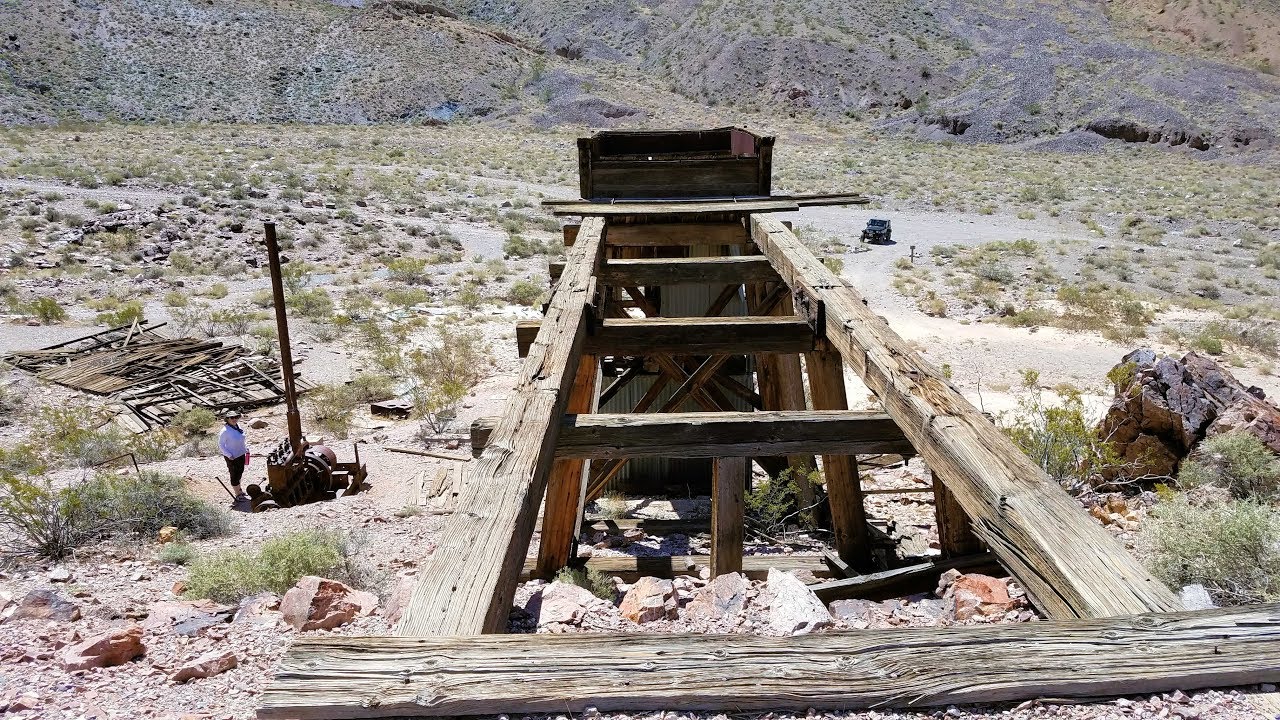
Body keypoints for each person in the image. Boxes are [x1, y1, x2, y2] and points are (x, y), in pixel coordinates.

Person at [218, 409, 249, 498]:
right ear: (227, 419)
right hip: (232, 456)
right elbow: (221, 444)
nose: (234, 419)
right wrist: (229, 455)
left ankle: (240, 491)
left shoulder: (237, 427)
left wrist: (245, 448)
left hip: (241, 453)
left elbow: (241, 439)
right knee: (234, 475)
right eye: (232, 417)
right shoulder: (225, 431)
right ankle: (238, 494)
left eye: (236, 417)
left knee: (240, 472)